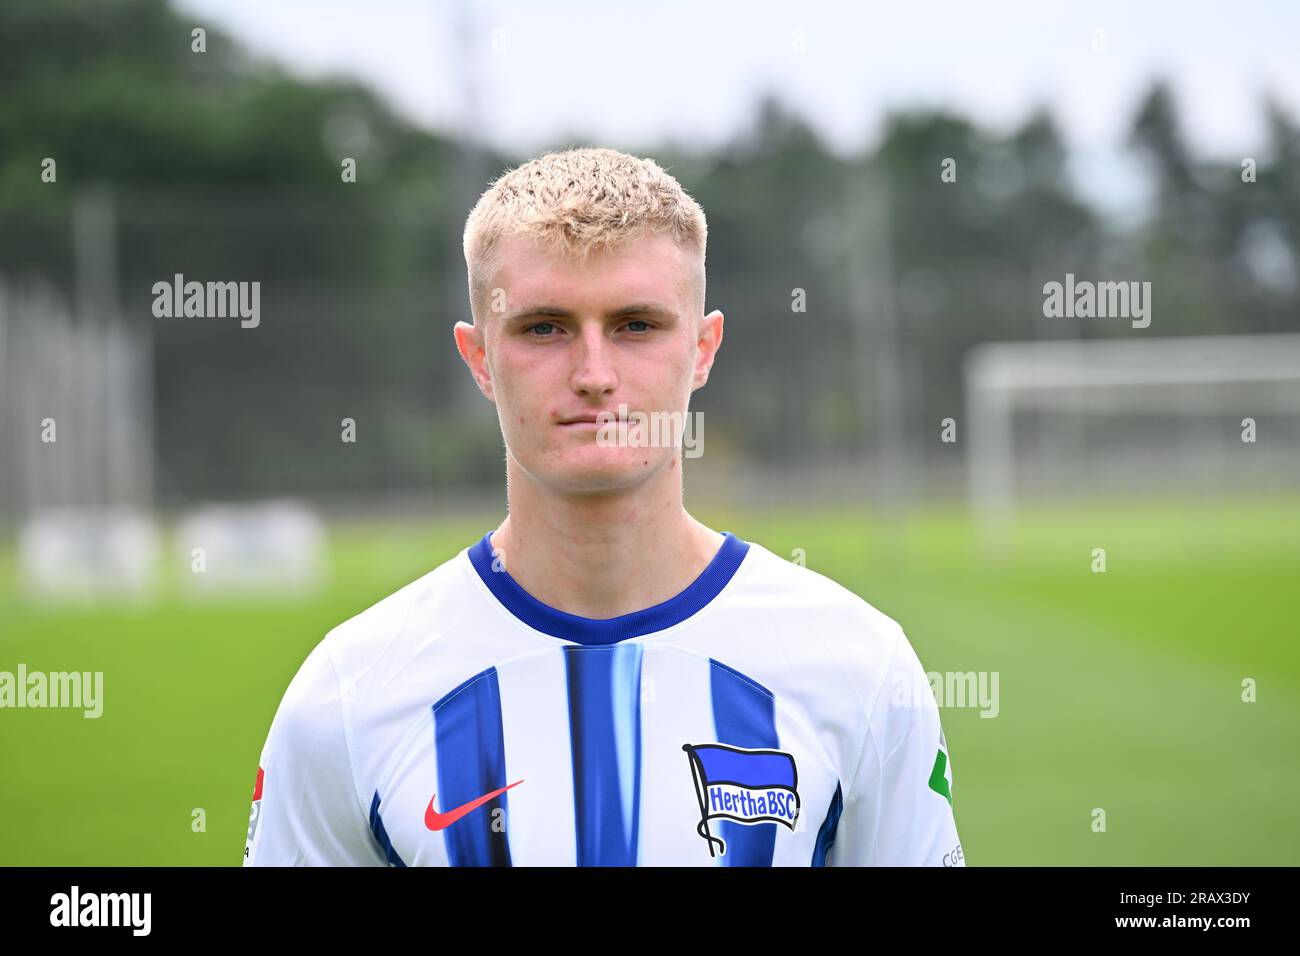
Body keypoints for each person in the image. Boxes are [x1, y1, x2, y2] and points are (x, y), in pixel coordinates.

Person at [244, 146, 963, 866]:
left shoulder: (860, 670)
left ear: (704, 348)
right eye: (544, 328)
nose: (594, 375)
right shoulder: (347, 697)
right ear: (479, 358)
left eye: (637, 325)